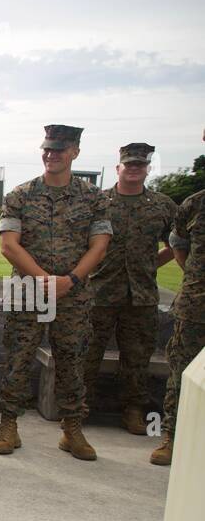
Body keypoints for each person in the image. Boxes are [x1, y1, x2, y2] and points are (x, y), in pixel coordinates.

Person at [0, 125, 111, 460]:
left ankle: (72, 429)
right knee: (18, 358)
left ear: (74, 152)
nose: (50, 155)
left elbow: (100, 246)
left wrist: (70, 280)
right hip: (29, 292)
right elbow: (8, 247)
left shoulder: (93, 198)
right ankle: (8, 426)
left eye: (58, 150)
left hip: (73, 296)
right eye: (47, 149)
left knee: (72, 361)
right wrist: (46, 280)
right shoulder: (20, 194)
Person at [83, 142, 176, 434]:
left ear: (147, 169)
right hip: (99, 291)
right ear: (118, 168)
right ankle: (79, 407)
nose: (134, 169)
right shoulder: (98, 202)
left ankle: (133, 410)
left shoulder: (162, 206)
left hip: (141, 295)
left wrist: (151, 265)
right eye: (129, 164)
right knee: (87, 353)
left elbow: (177, 244)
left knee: (137, 357)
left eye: (140, 164)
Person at [155, 128, 205, 466]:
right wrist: (195, 278)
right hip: (196, 306)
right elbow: (179, 245)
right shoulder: (195, 203)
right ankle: (172, 438)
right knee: (182, 373)